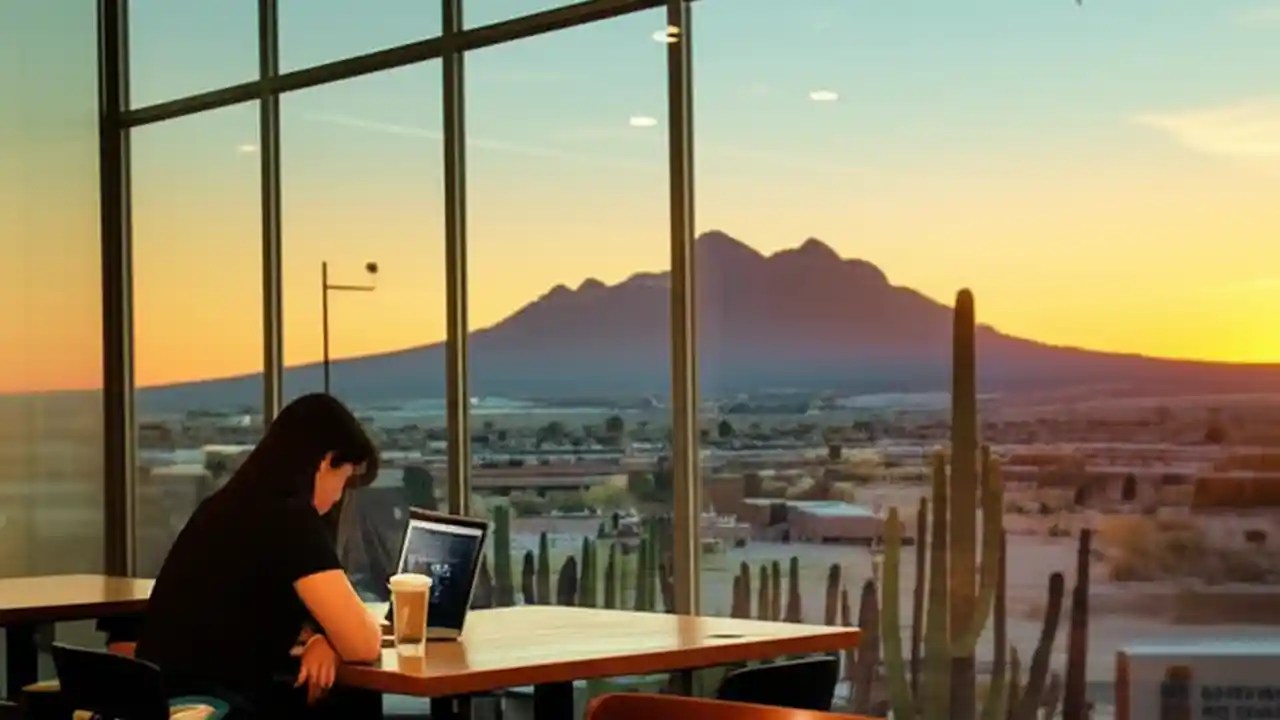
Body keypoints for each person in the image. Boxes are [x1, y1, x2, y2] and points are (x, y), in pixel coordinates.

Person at [136, 393, 384, 717]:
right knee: (351, 701)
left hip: (160, 701)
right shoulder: (290, 517)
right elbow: (363, 643)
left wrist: (322, 639)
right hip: (215, 705)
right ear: (326, 461)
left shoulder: (222, 506)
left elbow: (254, 610)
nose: (339, 496)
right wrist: (338, 640)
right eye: (344, 478)